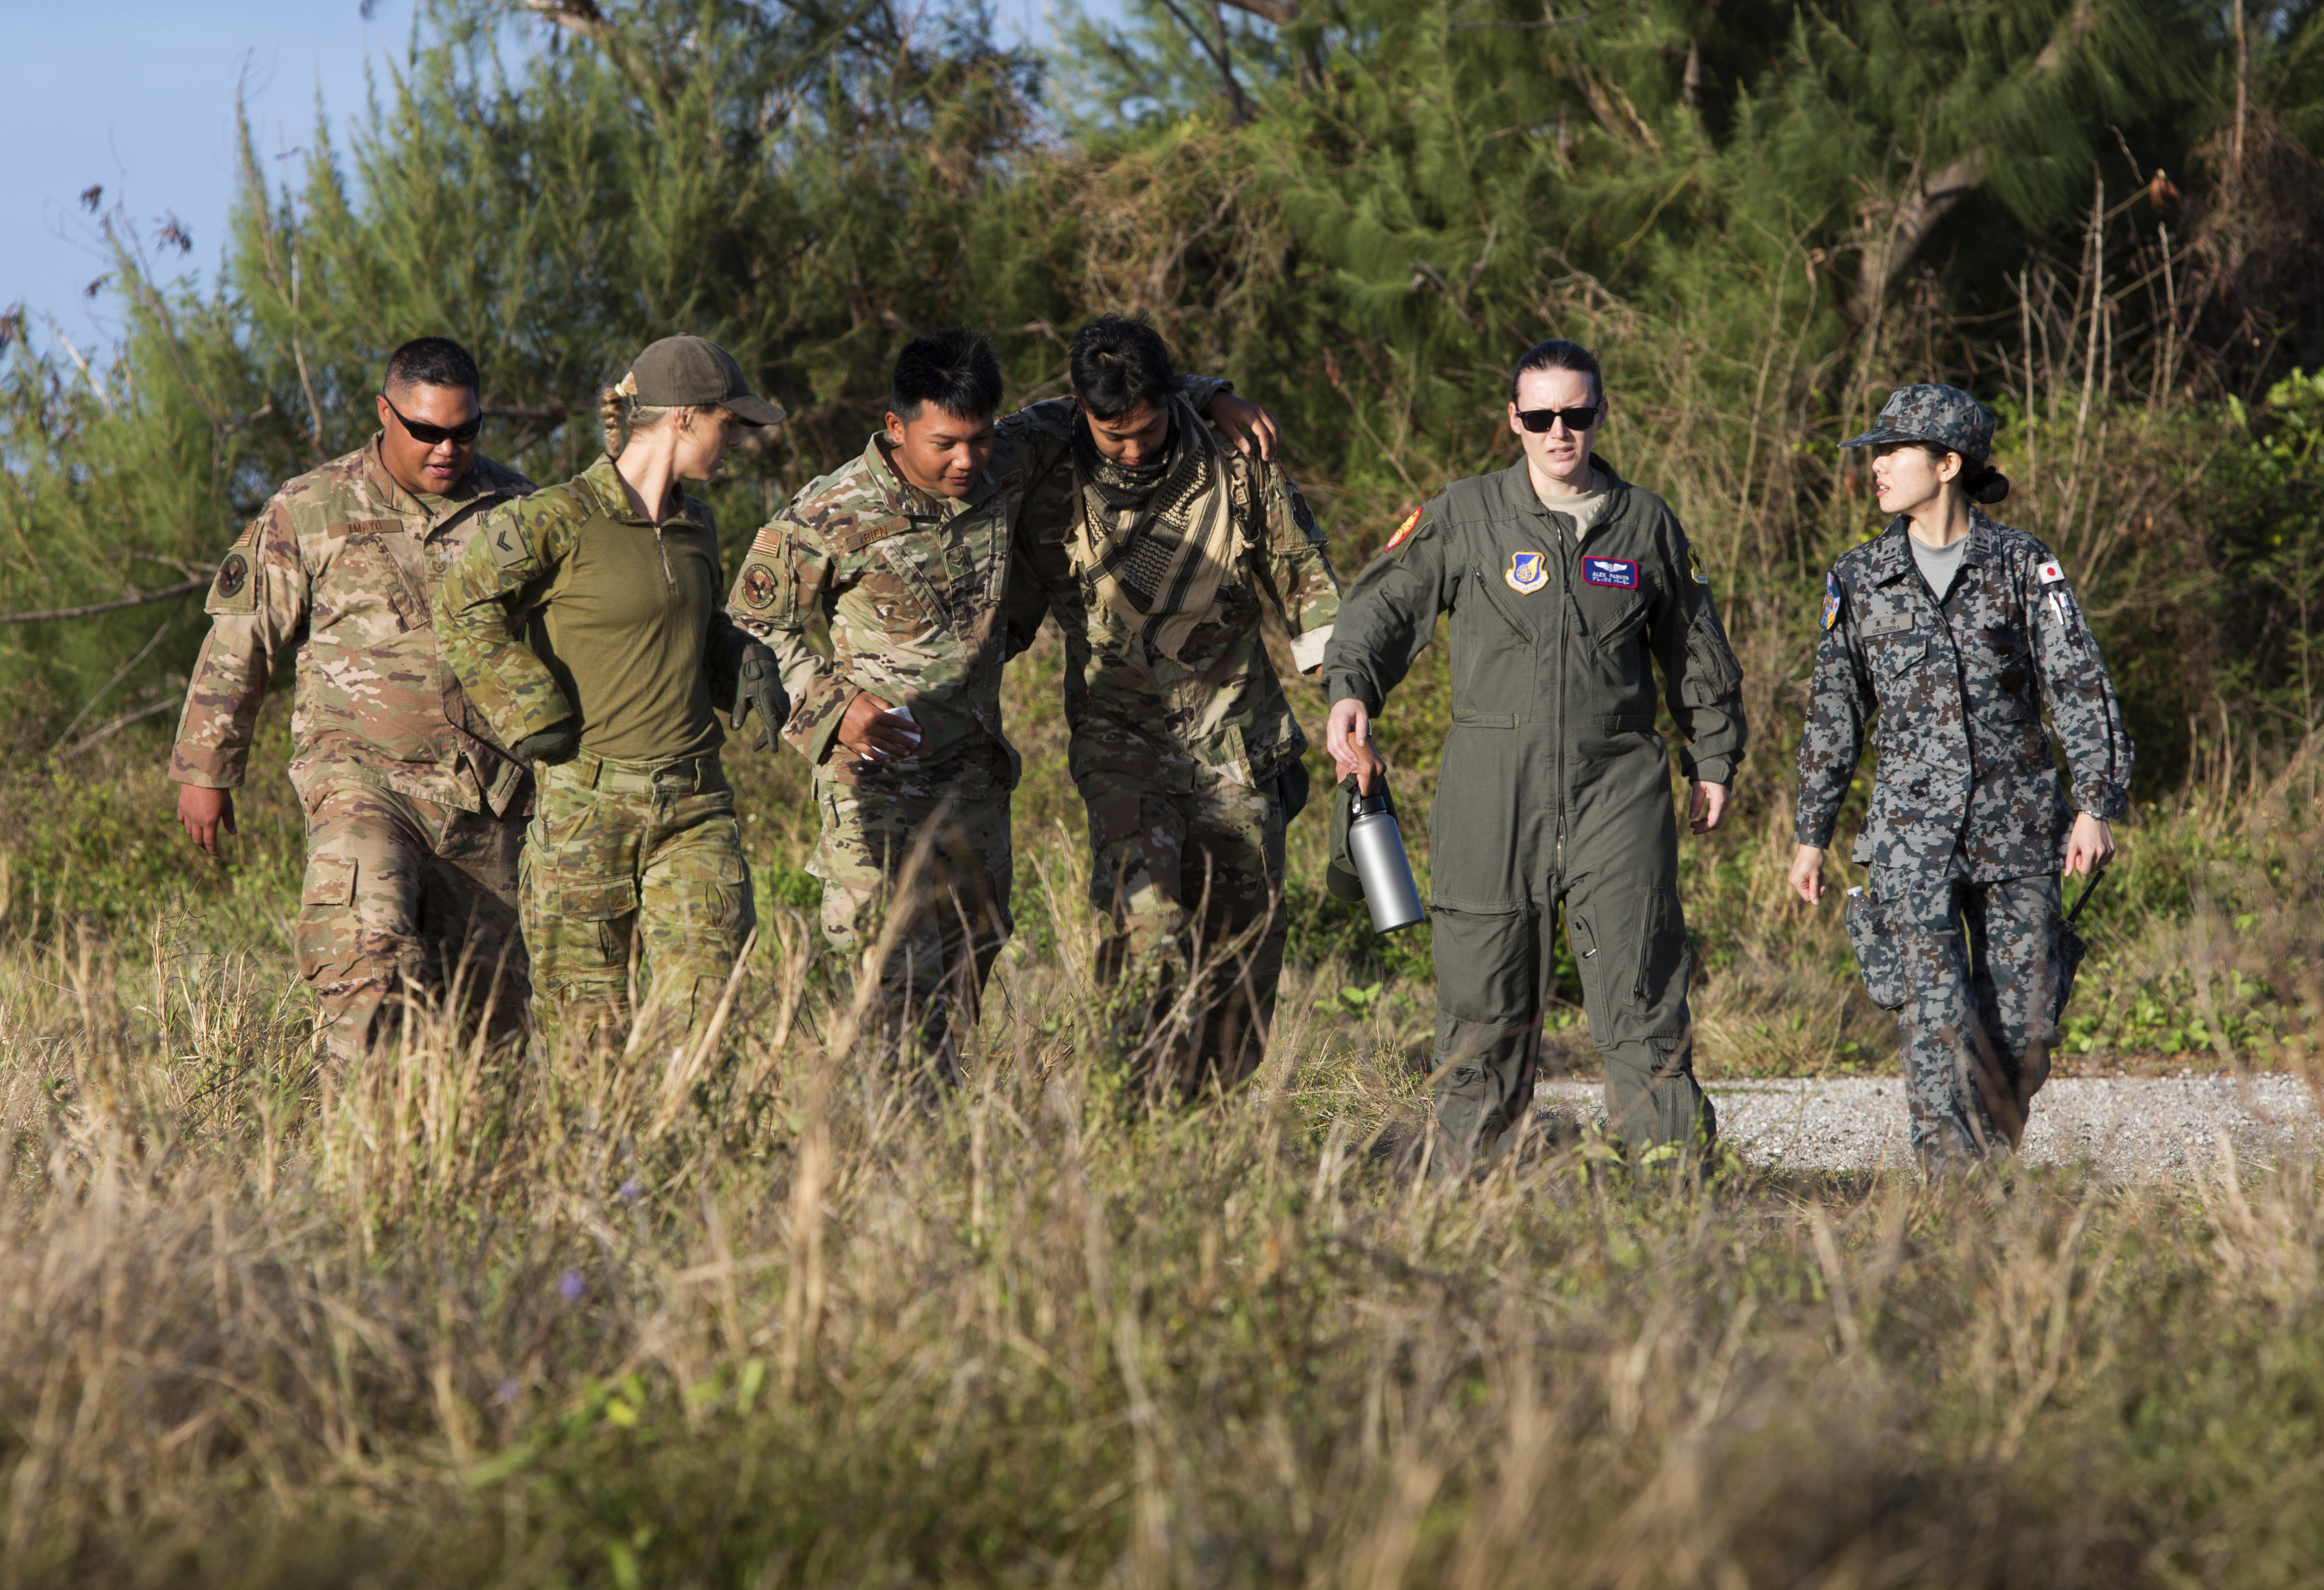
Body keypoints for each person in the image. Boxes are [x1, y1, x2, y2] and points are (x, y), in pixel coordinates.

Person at [726, 328, 1270, 1070]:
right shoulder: (832, 512)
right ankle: (864, 1149)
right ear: (897, 429)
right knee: (886, 977)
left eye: (980, 439)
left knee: (966, 971)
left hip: (977, 782)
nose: (966, 460)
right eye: (945, 443)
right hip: (876, 788)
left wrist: (1211, 397)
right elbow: (751, 625)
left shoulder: (1009, 458)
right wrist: (828, 707)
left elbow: (1106, 401)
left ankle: (938, 1155)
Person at [1324, 338, 1745, 1173]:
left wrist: (1714, 757)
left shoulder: (1648, 522)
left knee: (1642, 1002)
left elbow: (1697, 647)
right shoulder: (1465, 513)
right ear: (1513, 420)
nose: (1562, 432)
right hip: (1490, 790)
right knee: (1483, 1011)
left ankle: (1675, 1203)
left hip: (1618, 788)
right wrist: (1351, 692)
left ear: (1600, 415)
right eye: (1543, 416)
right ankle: (1472, 1204)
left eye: (1578, 414)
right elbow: (1381, 611)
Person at [1789, 384, 2131, 1173]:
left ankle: (1989, 1157)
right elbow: (1834, 715)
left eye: (1893, 452)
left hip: (2019, 831)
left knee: (2025, 1031)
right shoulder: (1859, 576)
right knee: (1936, 1022)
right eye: (1875, 453)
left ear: (1948, 464)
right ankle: (1956, 1198)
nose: (1877, 468)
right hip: (1911, 839)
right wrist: (1812, 835)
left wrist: (2096, 805)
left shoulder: (2022, 564)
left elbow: (2078, 683)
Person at [169, 337, 535, 1069]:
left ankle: (471, 1174)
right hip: (363, 781)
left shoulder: (521, 509)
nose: (446, 449)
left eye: (464, 432)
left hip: (489, 803)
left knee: (489, 1037)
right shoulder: (312, 507)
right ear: (384, 413)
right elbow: (244, 637)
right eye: (427, 431)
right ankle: (357, 1160)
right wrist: (205, 767)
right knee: (366, 969)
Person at [1004, 314, 1342, 1096]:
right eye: (1110, 433)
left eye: (1148, 428)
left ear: (1170, 402)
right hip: (1121, 746)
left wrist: (1345, 701)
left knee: (1242, 947)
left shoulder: (1234, 463)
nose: (1130, 449)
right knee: (1144, 932)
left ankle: (1207, 1124)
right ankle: (1133, 1112)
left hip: (1236, 747)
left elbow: (1309, 590)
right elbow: (953, 442)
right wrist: (1209, 391)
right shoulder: (1049, 448)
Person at [434, 335, 788, 1046]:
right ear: (684, 417)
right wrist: (526, 705)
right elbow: (459, 603)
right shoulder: (558, 518)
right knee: (588, 1049)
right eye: (729, 424)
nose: (739, 443)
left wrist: (738, 655)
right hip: (585, 813)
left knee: (708, 1027)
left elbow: (688, 624)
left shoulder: (698, 523)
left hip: (694, 806)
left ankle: (693, 1155)